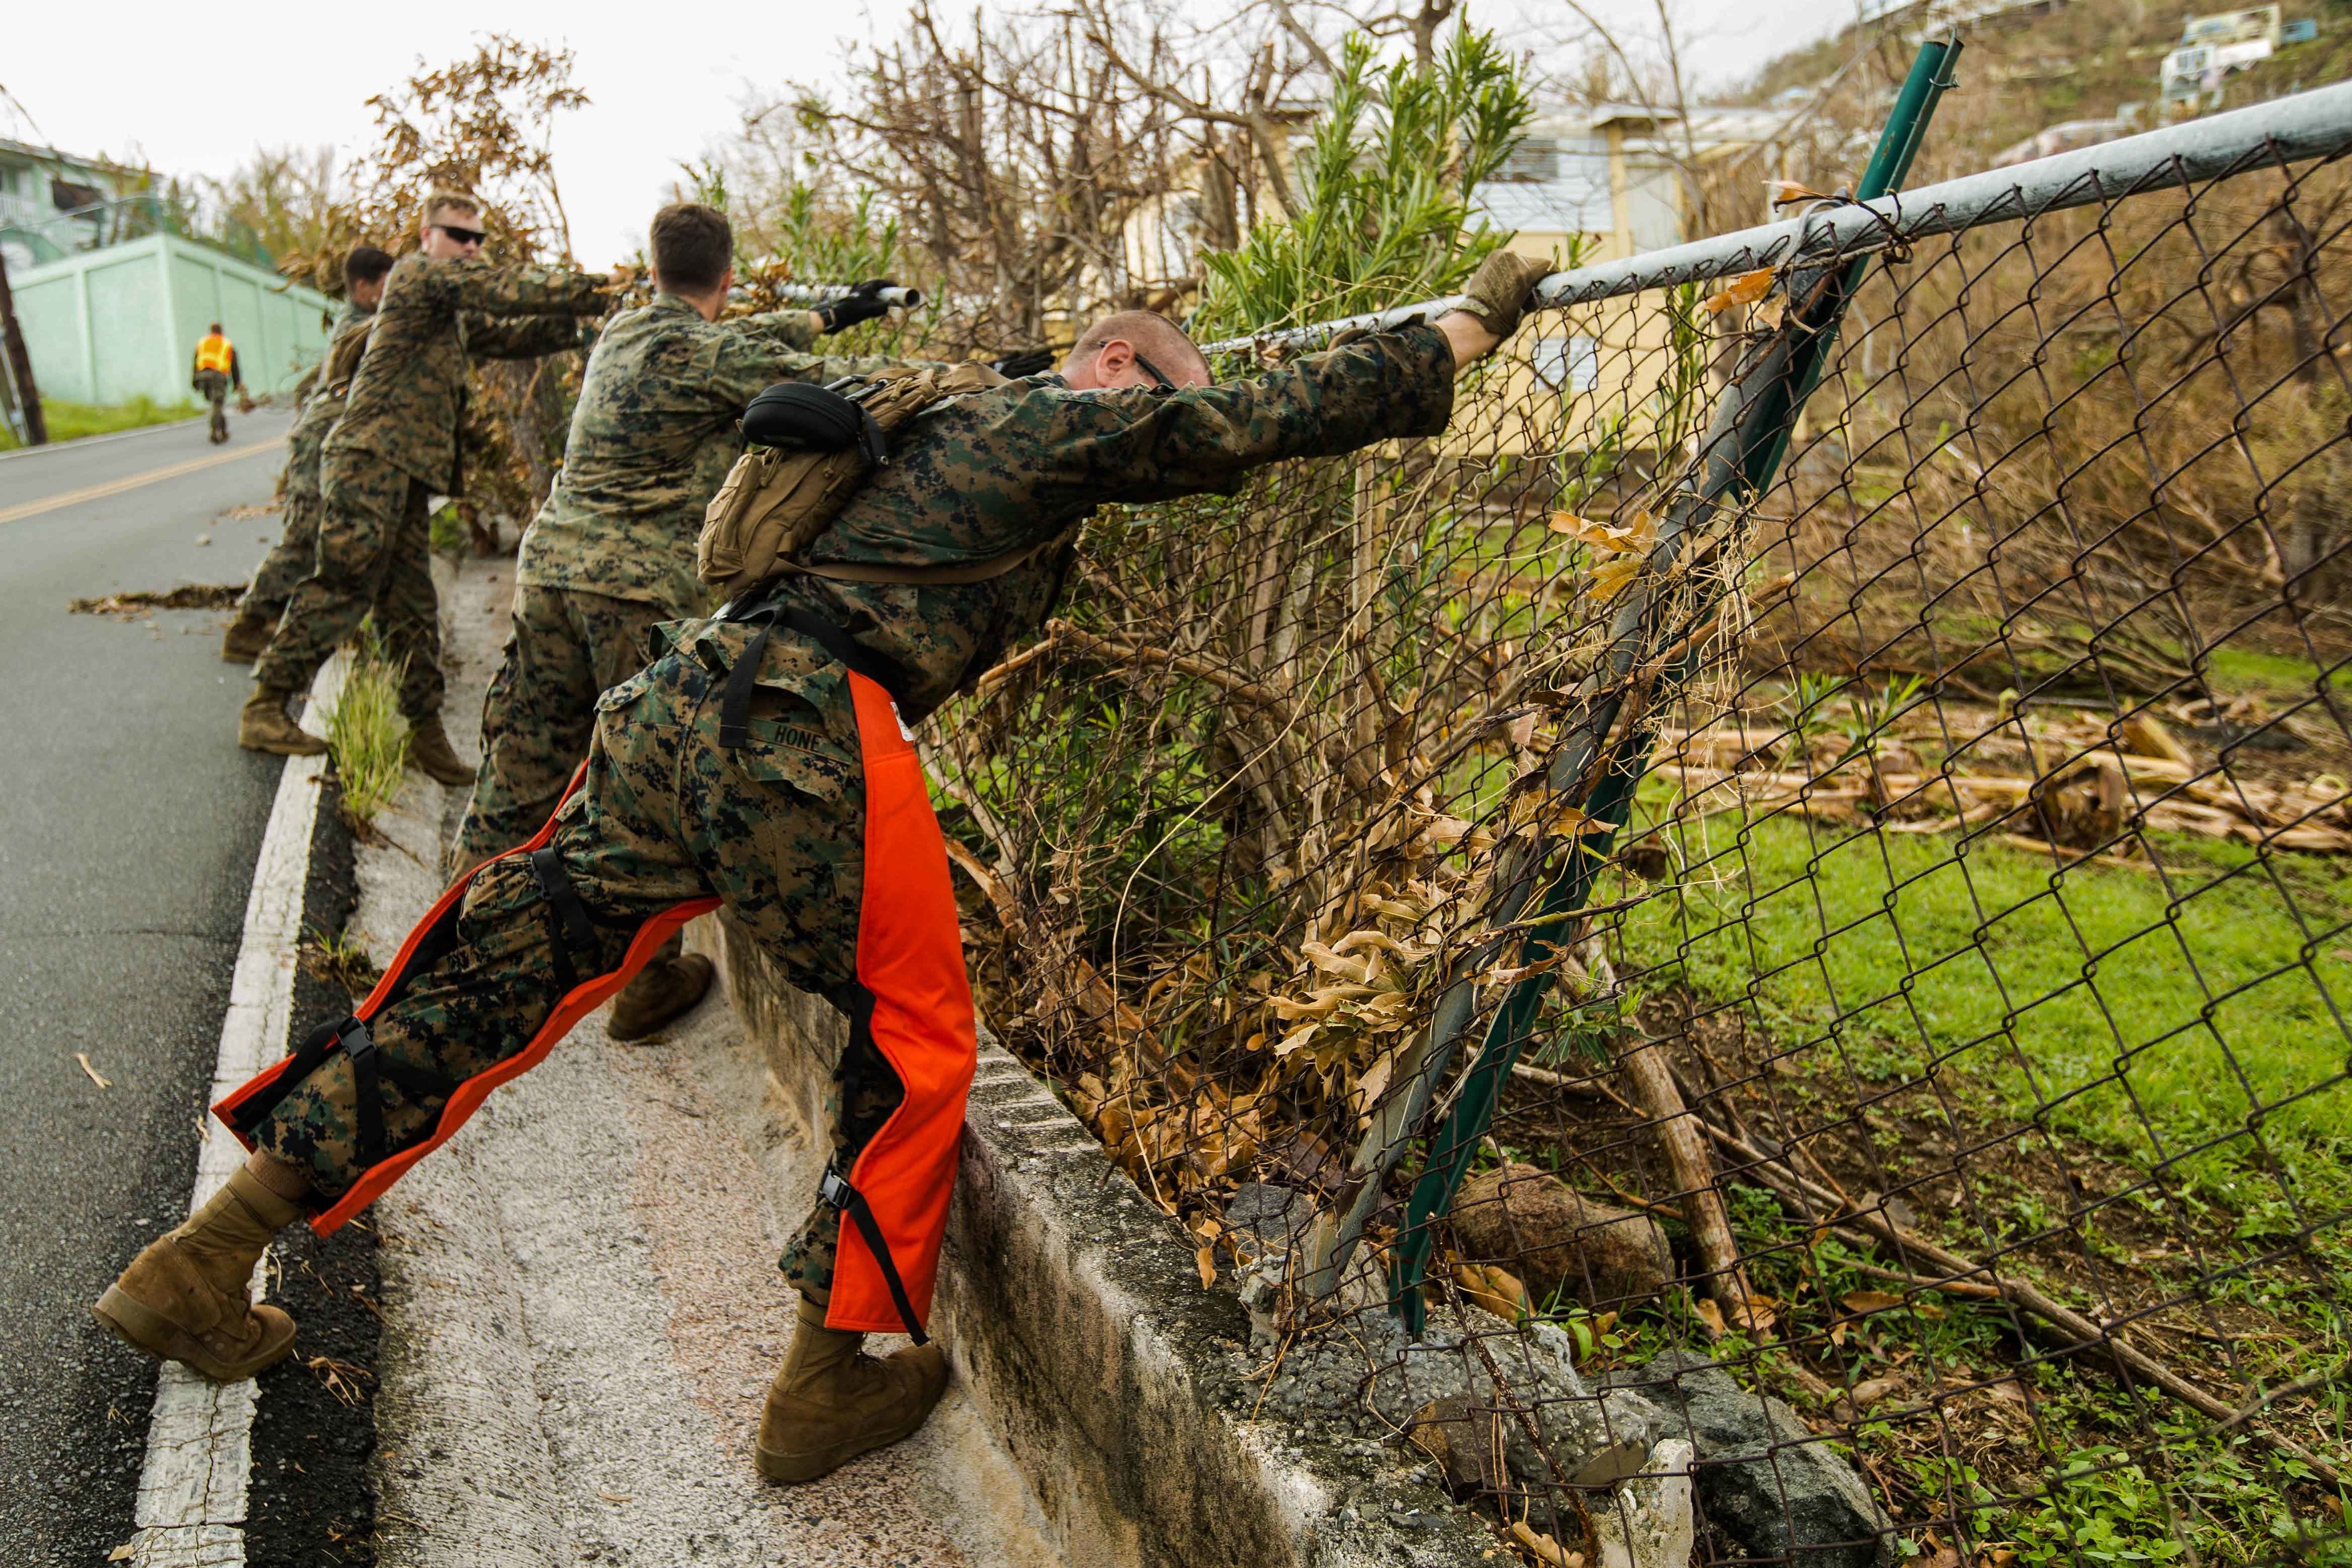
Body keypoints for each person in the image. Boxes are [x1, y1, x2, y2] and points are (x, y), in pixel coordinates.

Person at [94, 251, 1550, 1482]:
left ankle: (203, 1259)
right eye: (1155, 395)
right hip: (804, 725)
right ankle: (819, 1382)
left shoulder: (930, 408)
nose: (1157, 436)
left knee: (500, 975)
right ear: (1115, 365)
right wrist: (1456, 330)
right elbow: (1253, 424)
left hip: (681, 698)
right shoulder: (1053, 419)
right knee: (913, 1049)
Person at [453, 200, 910, 1040]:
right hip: (632, 594)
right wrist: (983, 372)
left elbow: (737, 338)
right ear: (727, 275)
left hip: (548, 571)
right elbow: (823, 385)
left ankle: (453, 951)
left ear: (653, 267)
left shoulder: (622, 335)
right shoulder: (711, 357)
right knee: (636, 789)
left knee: (519, 758)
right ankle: (645, 986)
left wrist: (832, 311)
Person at [236, 190, 613, 786]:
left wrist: (587, 319)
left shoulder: (448, 315)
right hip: (367, 459)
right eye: (459, 236)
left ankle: (424, 734)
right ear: (425, 236)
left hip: (406, 472)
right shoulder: (416, 279)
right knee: (345, 583)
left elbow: (515, 333)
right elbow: (504, 290)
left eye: (478, 239)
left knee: (411, 607)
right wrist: (598, 287)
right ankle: (265, 704)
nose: (471, 248)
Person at [222, 245, 397, 664]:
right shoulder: (356, 327)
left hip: (331, 447)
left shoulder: (363, 320)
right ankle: (248, 626)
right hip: (317, 446)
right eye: (388, 284)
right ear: (363, 287)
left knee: (317, 541)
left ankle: (274, 620)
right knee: (302, 539)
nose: (394, 292)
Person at [190, 323, 242, 444]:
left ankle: (223, 431)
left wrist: (194, 380)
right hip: (218, 376)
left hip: (202, 375)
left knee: (215, 404)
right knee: (217, 404)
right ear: (221, 331)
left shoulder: (203, 342)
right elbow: (234, 366)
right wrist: (237, 383)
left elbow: (195, 361)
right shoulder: (226, 344)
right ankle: (215, 431)